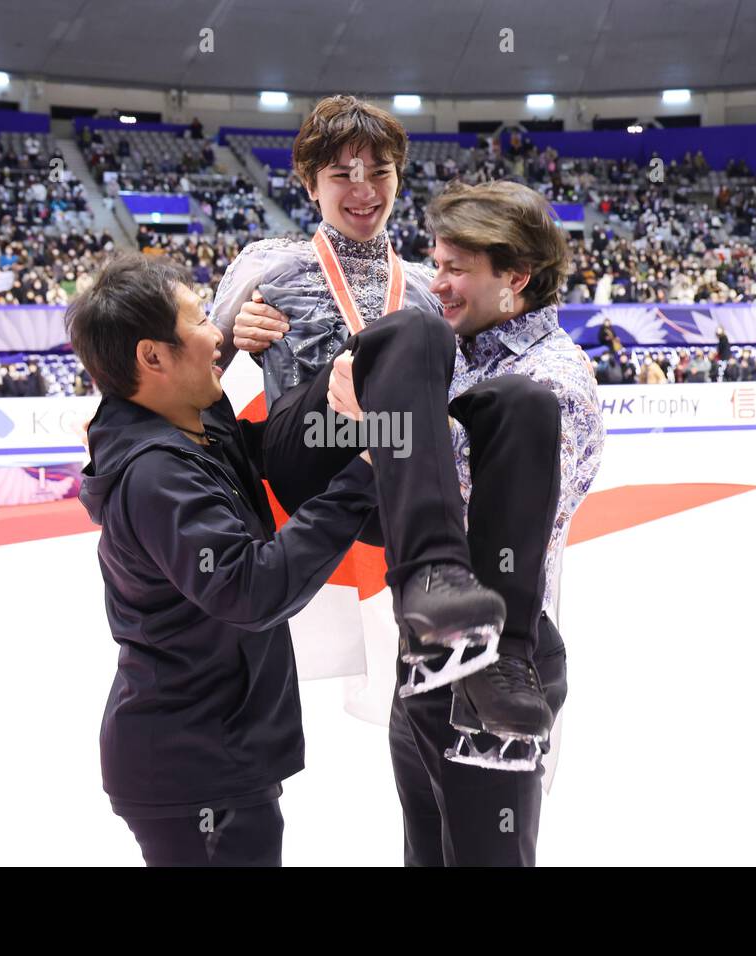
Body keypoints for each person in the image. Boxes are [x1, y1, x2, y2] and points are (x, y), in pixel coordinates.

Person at [70, 253, 379, 866]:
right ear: (152, 357)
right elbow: (249, 589)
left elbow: (274, 454)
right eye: (200, 320)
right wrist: (363, 476)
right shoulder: (158, 475)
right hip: (191, 769)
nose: (218, 333)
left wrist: (345, 406)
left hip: (220, 744)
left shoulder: (194, 421)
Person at [328, 180, 604, 865]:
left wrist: (379, 435)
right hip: (424, 661)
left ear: (516, 278)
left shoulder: (550, 383)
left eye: (456, 268)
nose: (437, 282)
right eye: (435, 261)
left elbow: (492, 512)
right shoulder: (455, 354)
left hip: (496, 670)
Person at [211, 95, 513, 712]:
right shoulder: (270, 267)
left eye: (379, 172)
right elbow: (197, 367)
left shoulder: (430, 291)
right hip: (305, 456)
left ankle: (467, 627)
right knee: (409, 335)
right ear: (309, 182)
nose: (363, 190)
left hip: (388, 474)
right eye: (342, 174)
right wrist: (235, 337)